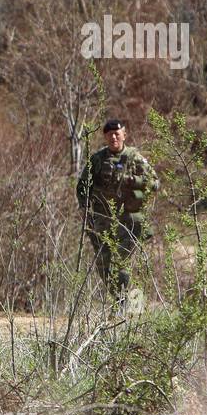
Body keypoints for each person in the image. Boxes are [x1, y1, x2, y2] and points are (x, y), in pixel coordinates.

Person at [75, 118, 160, 301]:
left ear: (124, 135)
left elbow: (155, 183)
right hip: (102, 220)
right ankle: (121, 300)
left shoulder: (135, 158)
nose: (114, 137)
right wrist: (84, 209)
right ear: (105, 137)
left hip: (129, 220)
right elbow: (82, 186)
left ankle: (126, 302)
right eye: (110, 134)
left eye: (117, 133)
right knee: (103, 264)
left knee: (121, 261)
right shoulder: (97, 160)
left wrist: (133, 181)